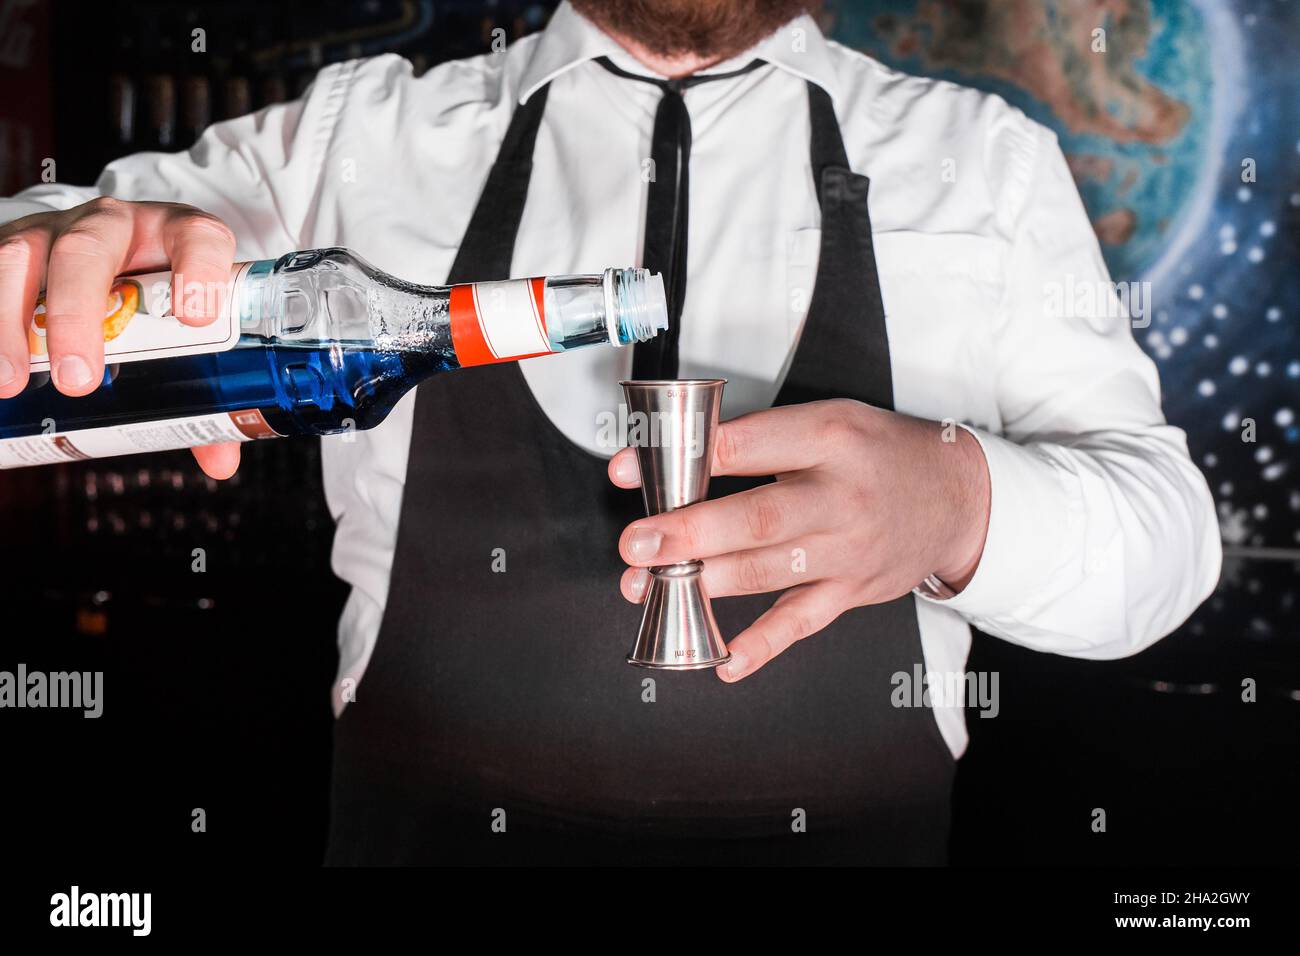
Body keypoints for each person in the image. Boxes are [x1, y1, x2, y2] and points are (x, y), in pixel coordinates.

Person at [0, 0, 1219, 864]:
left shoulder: (982, 164)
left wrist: (959, 505)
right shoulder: (349, 137)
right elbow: (107, 221)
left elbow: (1168, 546)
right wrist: (56, 243)